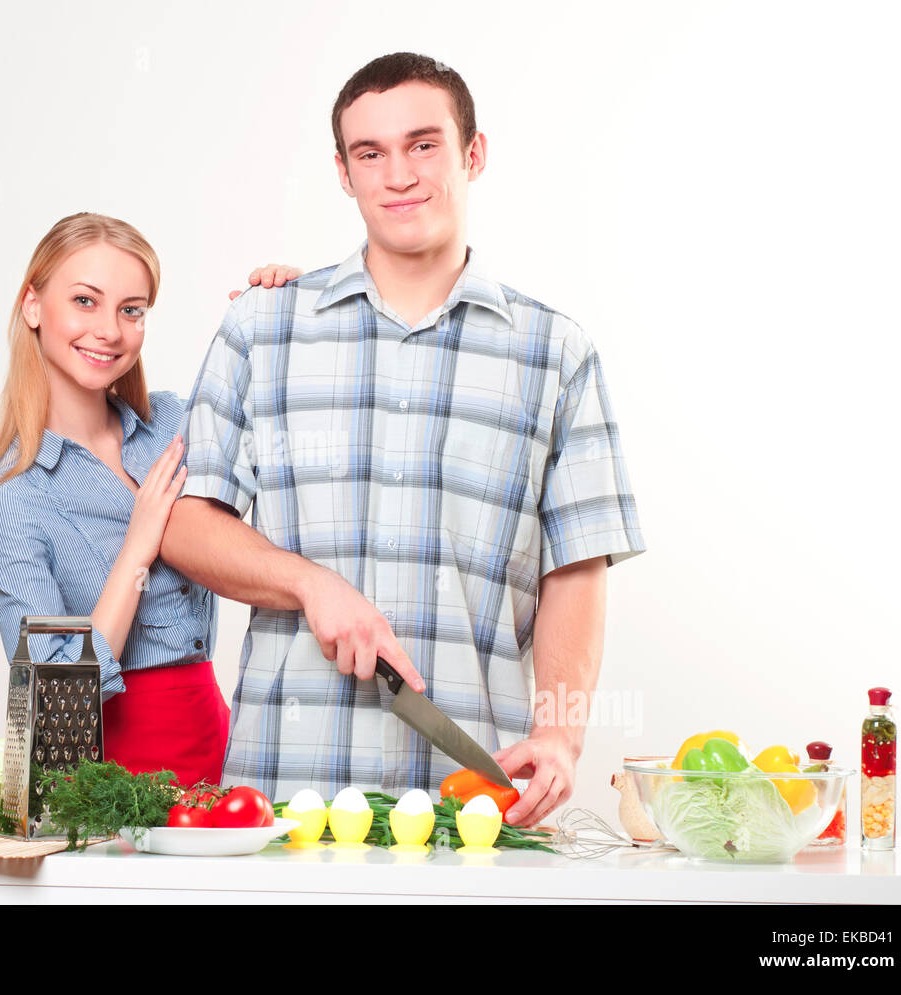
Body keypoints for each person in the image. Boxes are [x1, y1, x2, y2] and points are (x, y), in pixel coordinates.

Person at [161, 53, 646, 826]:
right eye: (370, 153)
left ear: (473, 154)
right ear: (344, 173)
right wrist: (310, 584)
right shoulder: (262, 328)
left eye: (424, 145)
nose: (399, 175)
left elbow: (578, 565)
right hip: (286, 798)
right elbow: (187, 523)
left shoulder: (557, 353)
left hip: (475, 806)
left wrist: (559, 732)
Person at [0, 212, 300, 787]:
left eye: (131, 310)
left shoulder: (172, 422)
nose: (110, 331)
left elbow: (292, 446)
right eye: (84, 301)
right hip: (110, 779)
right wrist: (137, 548)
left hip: (219, 742)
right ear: (33, 306)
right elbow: (52, 700)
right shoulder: (13, 493)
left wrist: (287, 316)